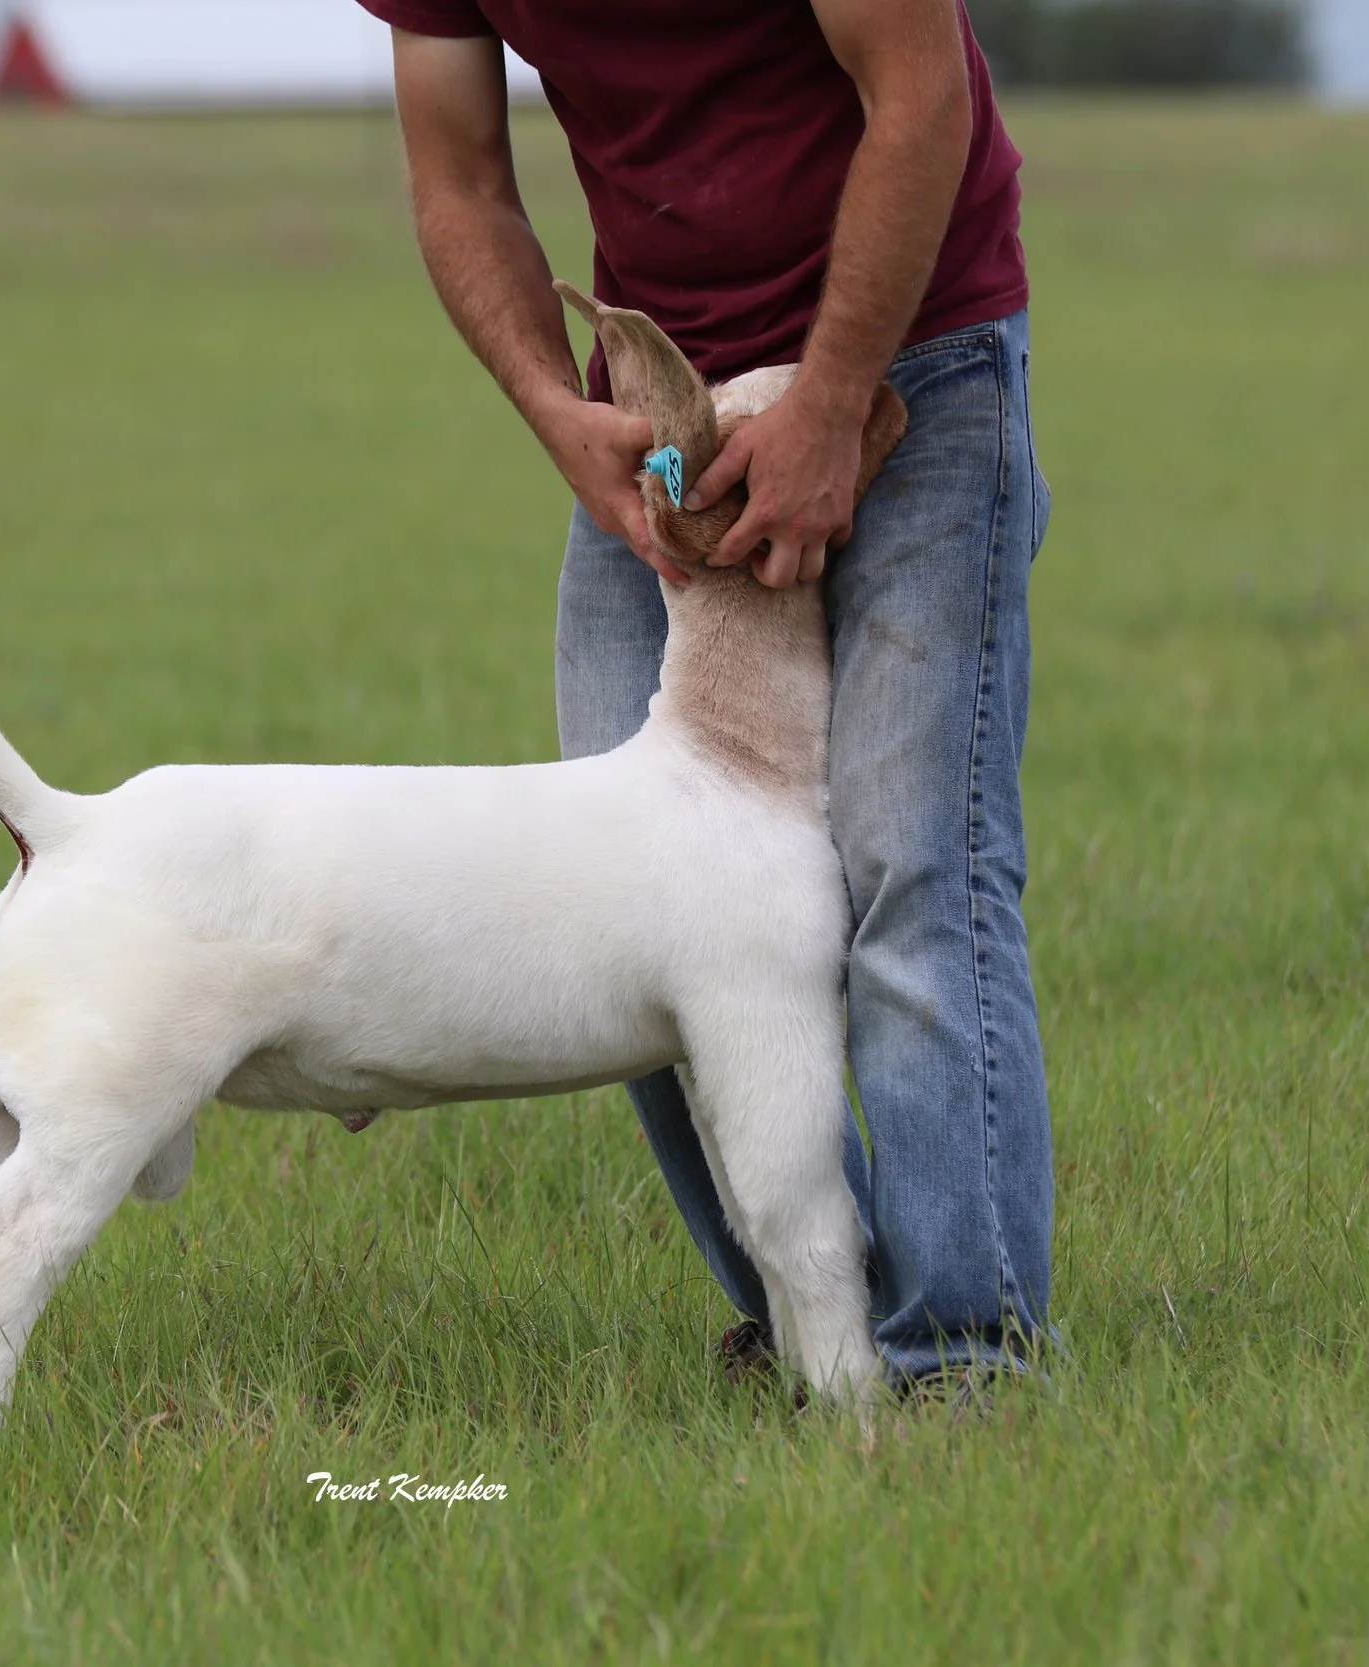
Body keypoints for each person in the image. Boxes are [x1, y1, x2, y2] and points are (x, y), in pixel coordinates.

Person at [354, 0, 1053, 1389]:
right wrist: (559, 409)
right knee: (620, 896)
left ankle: (964, 1368)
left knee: (916, 855)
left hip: (912, 345)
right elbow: (462, 180)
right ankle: (821, 1332)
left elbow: (919, 99)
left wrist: (838, 398)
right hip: (667, 405)